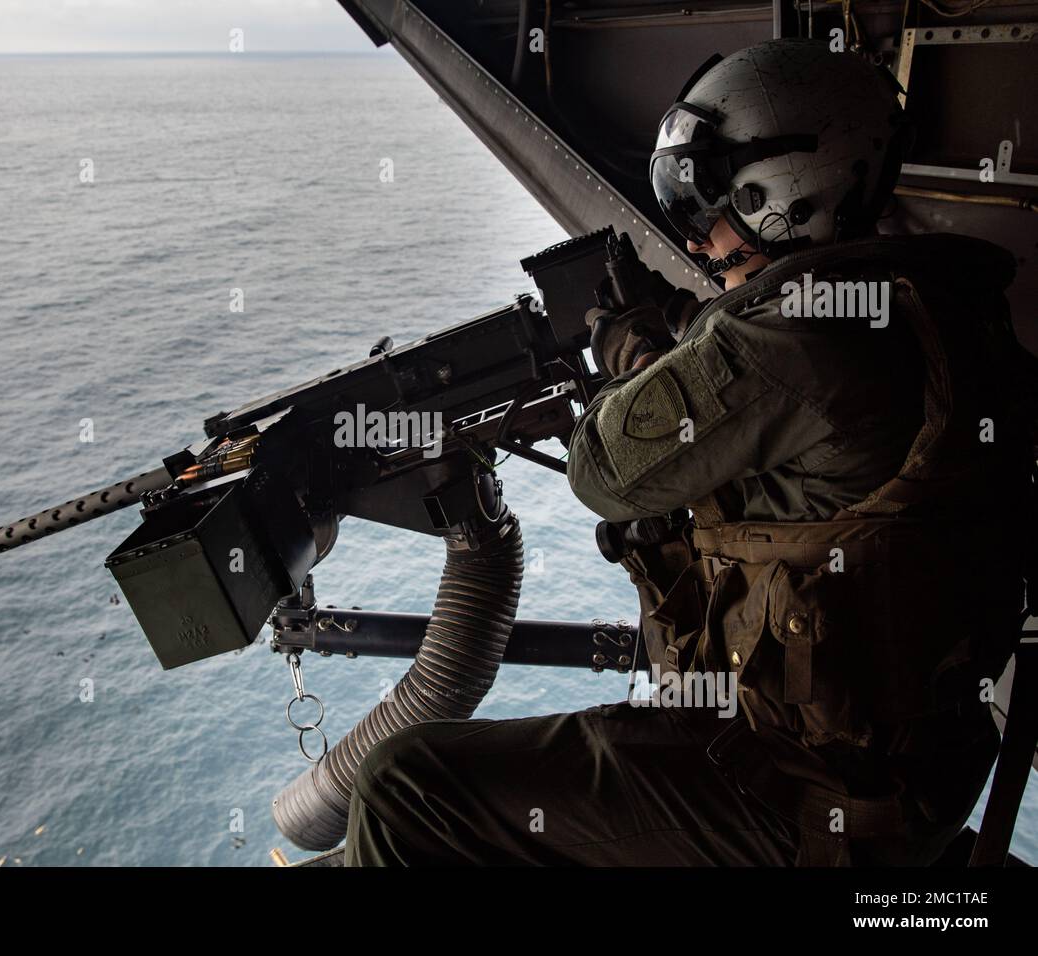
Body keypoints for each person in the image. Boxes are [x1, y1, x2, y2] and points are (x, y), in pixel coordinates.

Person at [342, 38, 1036, 866]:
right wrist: (678, 324)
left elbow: (603, 470)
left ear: (787, 192)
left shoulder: (799, 343)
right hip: (913, 776)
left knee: (403, 788)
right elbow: (785, 389)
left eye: (707, 200)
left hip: (802, 795)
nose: (700, 237)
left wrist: (629, 350)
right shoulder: (944, 308)